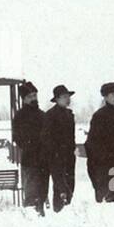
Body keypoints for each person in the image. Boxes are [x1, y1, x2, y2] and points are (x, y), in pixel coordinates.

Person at [85, 82, 114, 202]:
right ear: (105, 97)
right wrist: (105, 157)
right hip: (106, 165)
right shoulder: (100, 116)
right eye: (111, 94)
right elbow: (93, 142)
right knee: (108, 198)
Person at [11, 81, 47, 212]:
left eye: (35, 95)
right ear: (24, 99)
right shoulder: (20, 117)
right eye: (30, 96)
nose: (34, 99)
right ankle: (32, 217)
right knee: (31, 194)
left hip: (43, 160)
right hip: (30, 160)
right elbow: (18, 138)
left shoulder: (43, 115)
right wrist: (31, 145)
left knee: (43, 193)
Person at [41, 84, 77, 212]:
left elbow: (71, 137)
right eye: (64, 97)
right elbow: (46, 138)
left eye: (68, 96)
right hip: (56, 157)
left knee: (70, 184)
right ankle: (59, 211)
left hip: (69, 156)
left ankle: (67, 210)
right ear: (56, 99)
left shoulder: (69, 114)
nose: (67, 99)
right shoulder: (50, 115)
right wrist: (54, 154)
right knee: (61, 186)